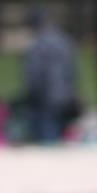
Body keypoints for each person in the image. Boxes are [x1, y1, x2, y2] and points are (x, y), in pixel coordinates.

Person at [21, 7, 79, 145]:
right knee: (61, 138)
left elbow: (33, 74)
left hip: (44, 98)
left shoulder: (37, 44)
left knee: (47, 141)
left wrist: (30, 94)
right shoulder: (63, 39)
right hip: (64, 95)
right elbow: (72, 70)